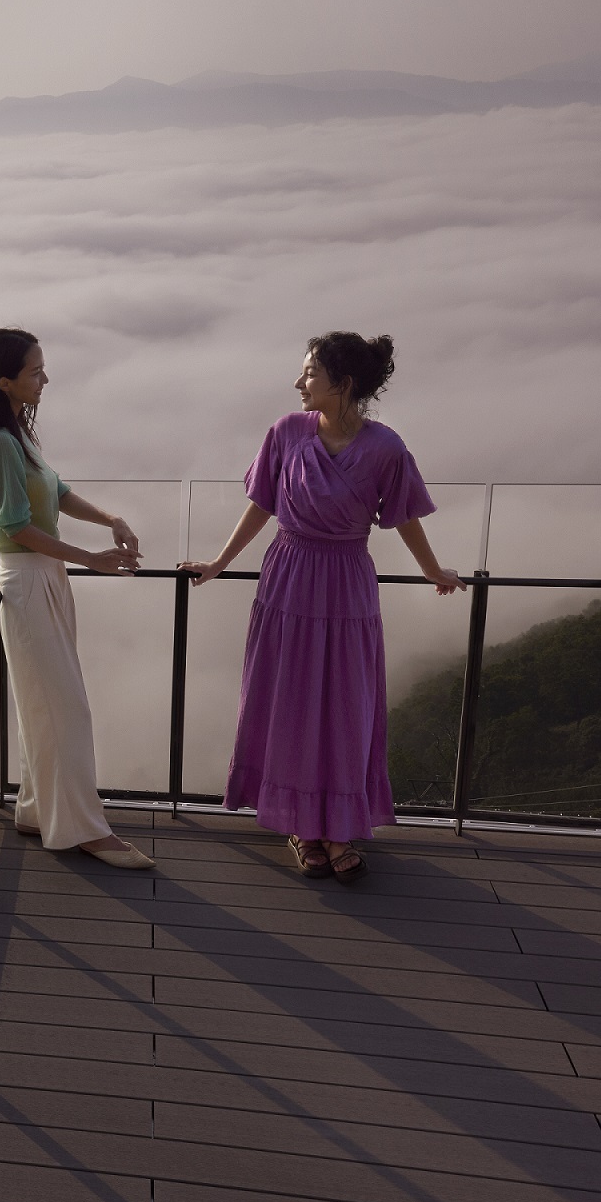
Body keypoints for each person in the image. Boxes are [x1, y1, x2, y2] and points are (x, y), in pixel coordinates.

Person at [180, 332, 462, 883]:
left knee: (344, 704)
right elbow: (261, 506)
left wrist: (434, 571)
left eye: (309, 373)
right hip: (288, 577)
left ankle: (336, 827)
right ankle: (303, 827)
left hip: (347, 581)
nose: (298, 382)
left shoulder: (385, 448)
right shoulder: (286, 432)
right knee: (290, 699)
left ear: (343, 384)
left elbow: (406, 519)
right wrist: (217, 563)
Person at [0, 328, 154, 867]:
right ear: (5, 382)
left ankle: (35, 808)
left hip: (42, 576)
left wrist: (110, 519)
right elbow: (15, 525)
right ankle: (83, 830)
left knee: (46, 708)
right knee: (66, 709)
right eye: (35, 372)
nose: (45, 379)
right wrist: (90, 557)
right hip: (27, 580)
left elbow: (57, 489)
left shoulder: (14, 433)